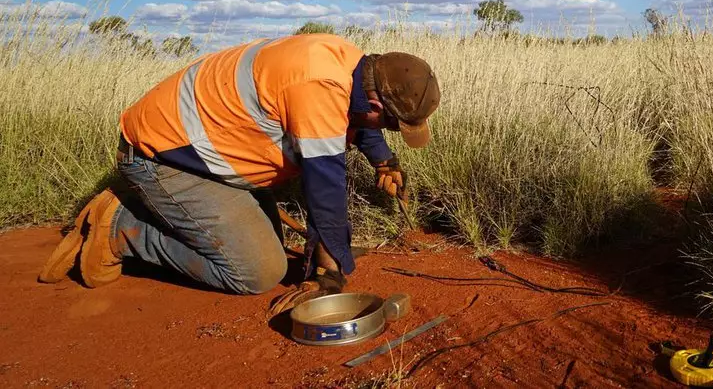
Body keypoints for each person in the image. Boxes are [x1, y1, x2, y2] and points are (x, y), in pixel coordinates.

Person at [38, 33, 440, 317]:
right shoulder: (317, 85)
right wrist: (330, 274)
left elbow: (358, 116)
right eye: (390, 124)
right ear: (375, 99)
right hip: (164, 159)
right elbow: (326, 191)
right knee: (259, 271)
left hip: (209, 157)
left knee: (268, 245)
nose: (385, 130)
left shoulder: (353, 63)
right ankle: (121, 227)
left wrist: (383, 159)